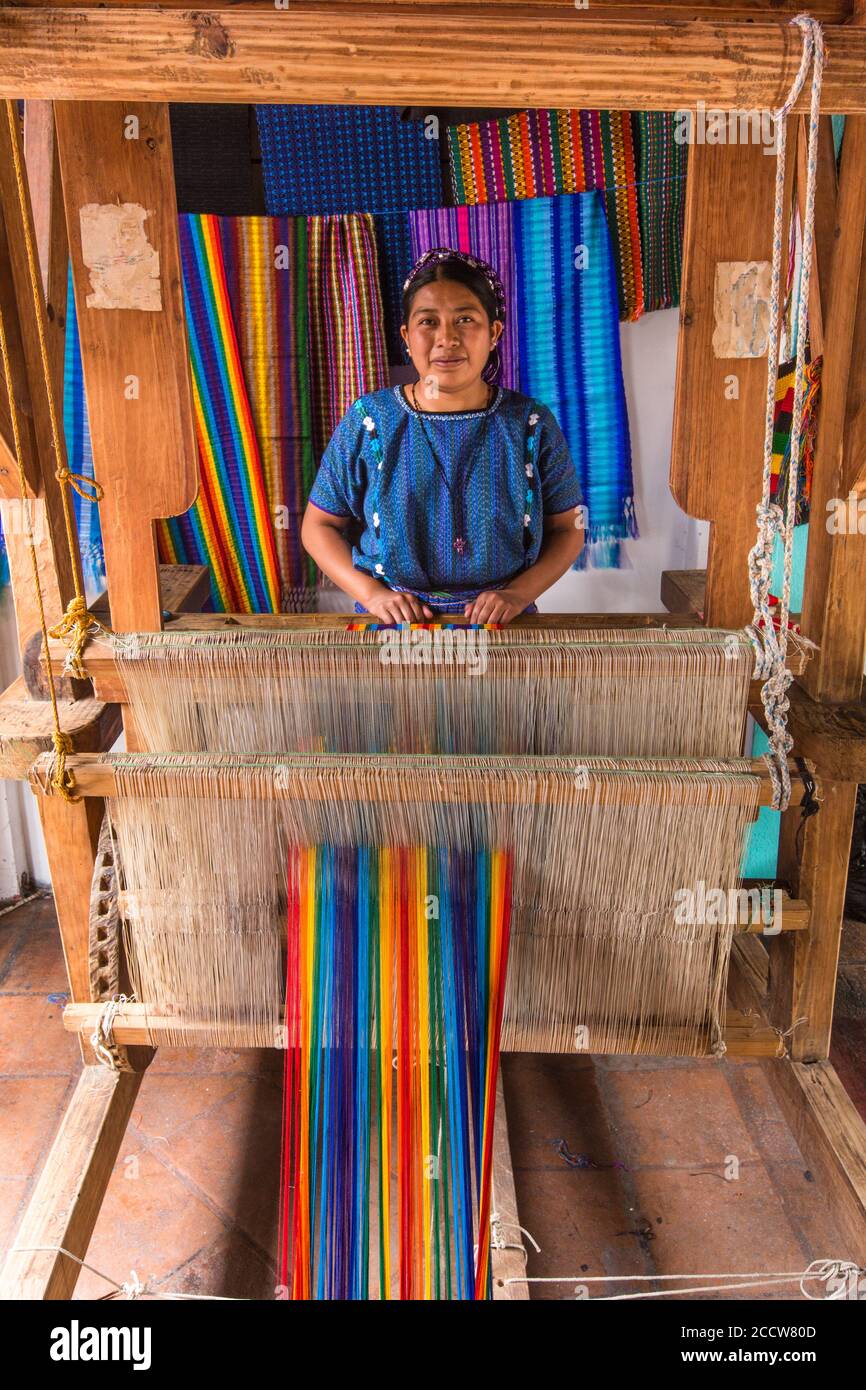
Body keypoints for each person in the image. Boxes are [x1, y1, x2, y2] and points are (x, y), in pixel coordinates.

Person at [301, 247, 584, 624]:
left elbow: (569, 529)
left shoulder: (530, 424)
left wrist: (517, 595)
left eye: (465, 319)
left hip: (503, 627)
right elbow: (318, 526)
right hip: (393, 627)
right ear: (406, 335)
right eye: (428, 322)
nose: (446, 338)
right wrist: (374, 595)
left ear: (494, 332)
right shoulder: (370, 421)